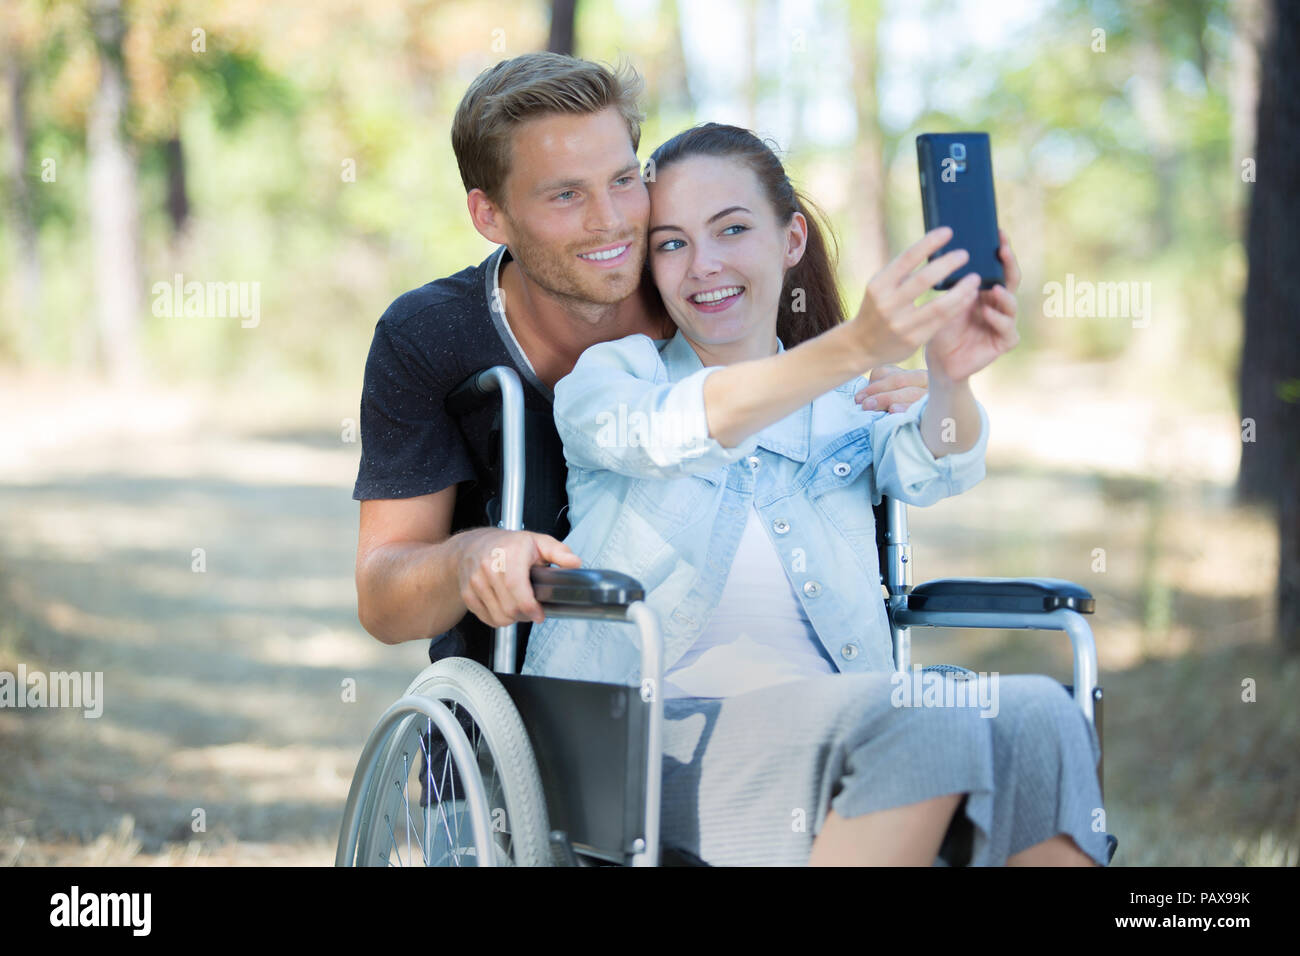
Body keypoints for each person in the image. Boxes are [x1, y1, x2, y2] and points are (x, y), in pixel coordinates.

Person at [521, 122, 1112, 867]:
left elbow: (941, 463)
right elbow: (684, 424)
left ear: (791, 239)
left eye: (732, 229)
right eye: (671, 243)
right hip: (654, 749)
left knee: (1038, 715)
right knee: (922, 718)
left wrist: (951, 379)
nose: (704, 266)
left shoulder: (848, 398)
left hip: (846, 726)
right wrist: (856, 347)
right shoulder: (615, 378)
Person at [352, 52, 928, 671]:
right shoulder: (430, 335)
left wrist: (922, 402)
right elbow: (385, 605)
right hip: (533, 712)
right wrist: (467, 558)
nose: (611, 222)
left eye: (625, 180)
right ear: (490, 215)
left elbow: (841, 483)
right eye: (567, 194)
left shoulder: (715, 286)